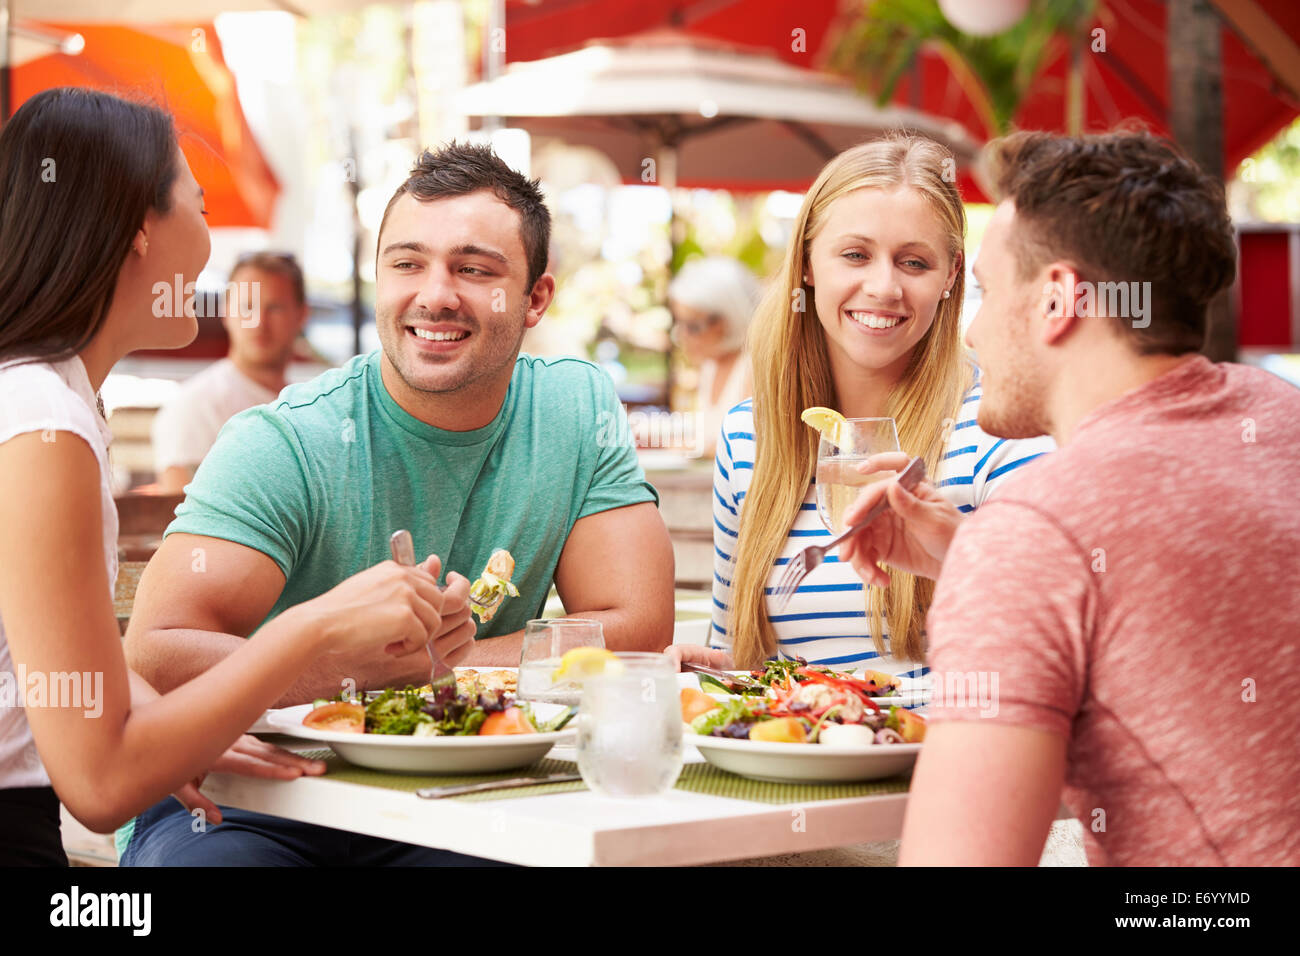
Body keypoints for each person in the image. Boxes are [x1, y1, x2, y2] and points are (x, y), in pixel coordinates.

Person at [119, 141, 675, 865]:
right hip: (254, 802)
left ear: (536, 298)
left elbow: (632, 626)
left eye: (473, 269)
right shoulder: (288, 439)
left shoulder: (573, 405)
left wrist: (445, 662)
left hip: (470, 800)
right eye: (406, 264)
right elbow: (158, 653)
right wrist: (363, 667)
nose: (435, 294)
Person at [0, 88, 463, 866]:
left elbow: (39, 666)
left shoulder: (38, 397)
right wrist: (310, 628)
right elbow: (102, 780)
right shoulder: (42, 422)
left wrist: (180, 721)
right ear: (142, 227)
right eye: (201, 208)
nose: (211, 245)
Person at [839, 130, 1300, 866]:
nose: (974, 333)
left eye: (985, 293)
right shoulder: (1278, 422)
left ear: (1057, 300)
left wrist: (1005, 562)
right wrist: (976, 560)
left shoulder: (1036, 533)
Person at [676, 133, 1052, 677]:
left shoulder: (1002, 432)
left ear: (951, 276)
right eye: (855, 255)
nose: (883, 287)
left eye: (914, 263)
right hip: (791, 752)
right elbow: (749, 658)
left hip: (937, 751)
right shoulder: (747, 436)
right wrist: (713, 671)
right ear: (807, 263)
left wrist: (957, 552)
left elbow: (1051, 642)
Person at [151, 252, 309, 493]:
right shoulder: (196, 406)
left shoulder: (309, 404)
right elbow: (181, 513)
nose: (259, 322)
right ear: (226, 312)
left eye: (274, 308)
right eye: (247, 307)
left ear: (301, 316)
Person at [667, 256, 760, 458]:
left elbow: (748, 444)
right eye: (679, 323)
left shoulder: (753, 367)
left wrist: (696, 448)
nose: (682, 335)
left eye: (693, 326)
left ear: (727, 321)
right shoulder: (710, 366)